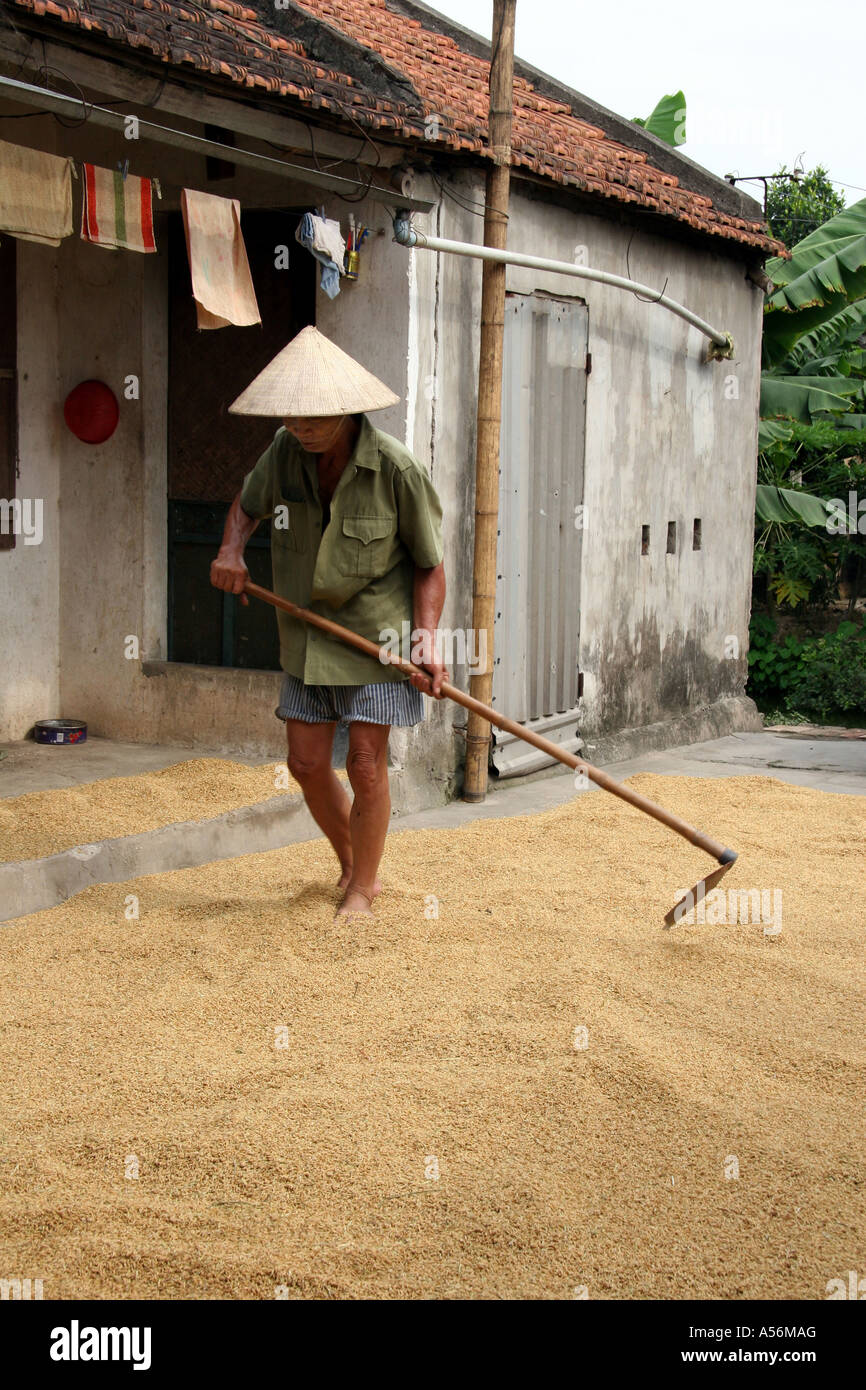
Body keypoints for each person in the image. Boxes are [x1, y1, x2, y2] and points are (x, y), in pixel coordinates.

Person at [210, 326, 447, 918]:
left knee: (362, 762)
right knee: (306, 763)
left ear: (347, 411)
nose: (303, 427)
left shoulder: (397, 471)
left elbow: (429, 566)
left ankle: (363, 889)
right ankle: (352, 861)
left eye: (315, 417)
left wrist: (425, 641)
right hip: (307, 637)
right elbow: (246, 507)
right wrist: (231, 551)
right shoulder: (283, 454)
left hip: (376, 641)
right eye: (293, 416)